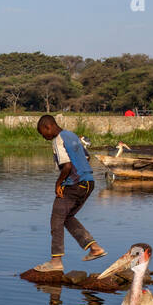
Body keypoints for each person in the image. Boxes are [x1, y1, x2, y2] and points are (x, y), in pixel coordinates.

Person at [30, 115, 105, 275]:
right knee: (67, 217)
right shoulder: (72, 135)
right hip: (89, 182)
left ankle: (56, 262)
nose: (44, 138)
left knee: (56, 218)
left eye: (43, 134)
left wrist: (58, 184)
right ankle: (95, 248)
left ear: (47, 127)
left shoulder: (58, 139)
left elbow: (67, 166)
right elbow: (86, 156)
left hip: (74, 184)